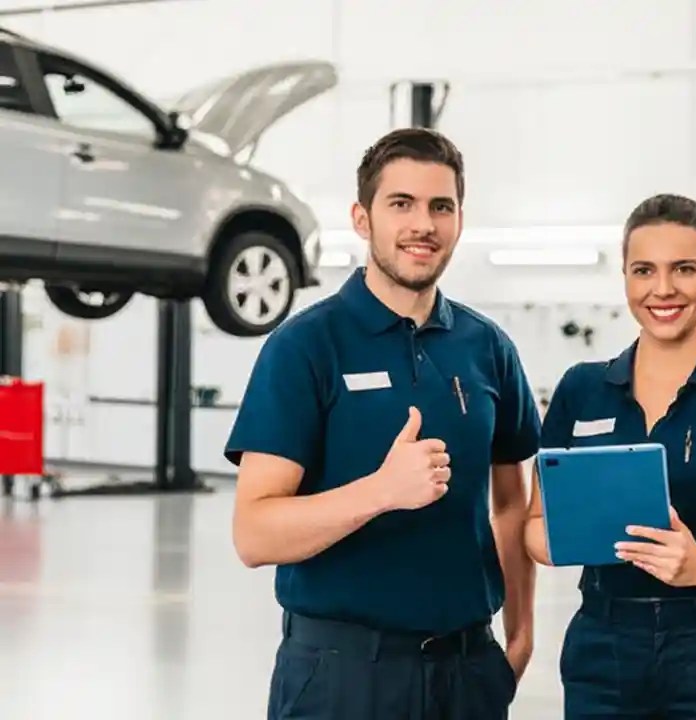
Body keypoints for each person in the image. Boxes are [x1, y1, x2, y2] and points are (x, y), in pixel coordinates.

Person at [225, 127, 542, 720]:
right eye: (402, 204)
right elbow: (253, 533)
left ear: (458, 220)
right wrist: (380, 492)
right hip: (342, 677)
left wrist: (519, 640)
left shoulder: (488, 348)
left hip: (469, 670)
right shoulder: (305, 347)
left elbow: (510, 502)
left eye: (440, 206)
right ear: (362, 218)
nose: (423, 224)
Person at [523, 193, 696, 719]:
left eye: (683, 269)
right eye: (643, 270)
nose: (662, 289)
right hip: (604, 649)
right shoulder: (581, 390)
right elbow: (534, 528)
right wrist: (578, 535)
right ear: (626, 279)